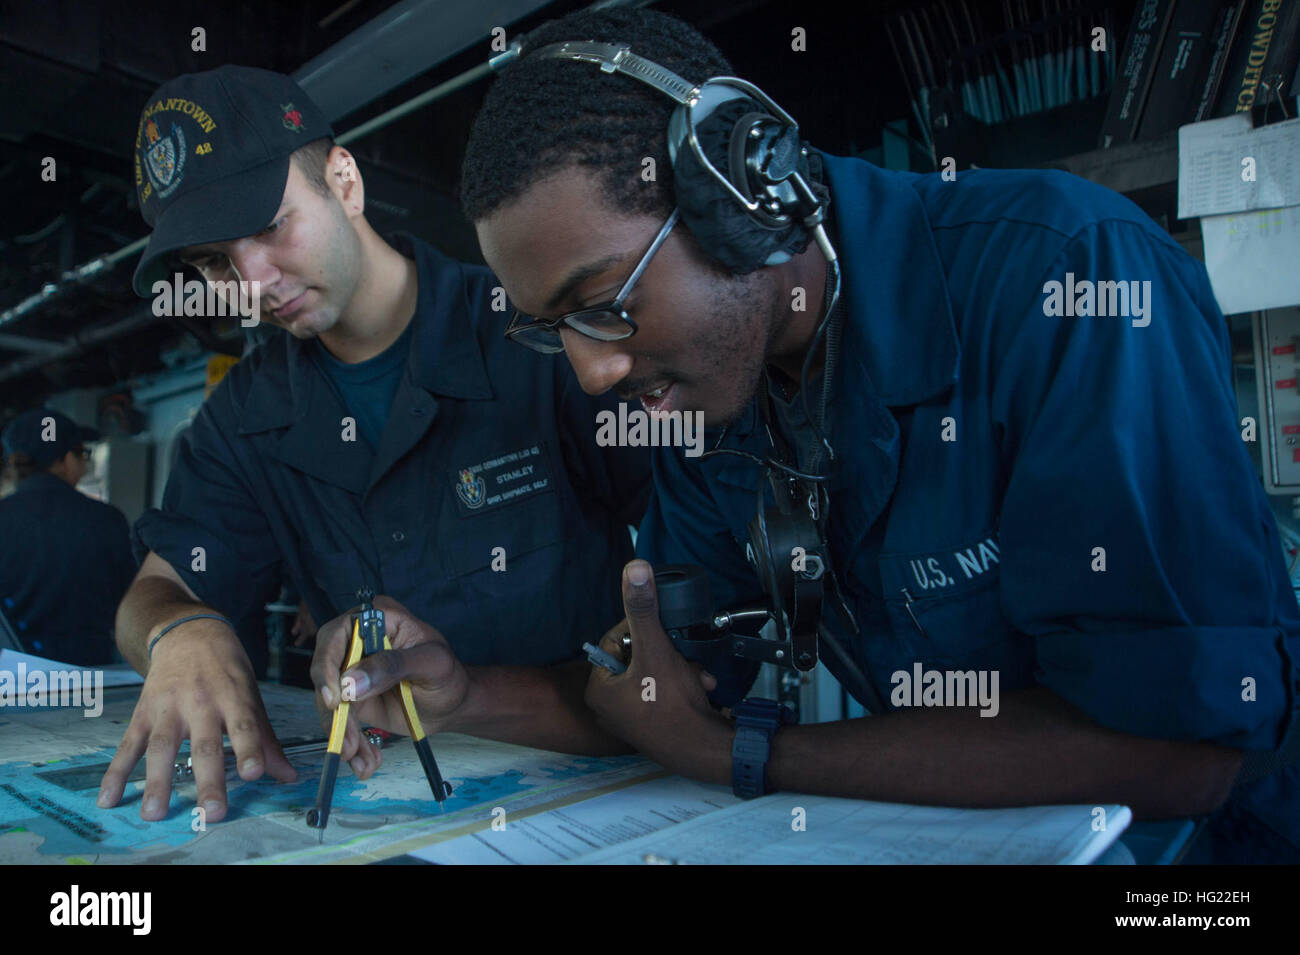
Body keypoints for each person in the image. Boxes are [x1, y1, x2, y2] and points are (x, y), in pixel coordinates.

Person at [456, 8, 1300, 863]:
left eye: (602, 304)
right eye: (551, 329)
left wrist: (743, 754)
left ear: (739, 193)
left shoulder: (1067, 277)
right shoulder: (702, 403)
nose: (592, 373)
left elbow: (1186, 752)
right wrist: (457, 693)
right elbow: (668, 696)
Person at [99, 65, 649, 824]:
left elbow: (686, 624)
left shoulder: (533, 334)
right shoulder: (243, 417)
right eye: (214, 263)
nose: (251, 280)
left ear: (344, 181)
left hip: (609, 797)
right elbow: (154, 593)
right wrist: (178, 629)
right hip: (397, 815)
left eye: (268, 225)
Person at [0, 408, 134, 664]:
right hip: (89, 676)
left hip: (9, 677)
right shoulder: (106, 518)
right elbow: (129, 602)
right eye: (82, 454)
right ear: (67, 461)